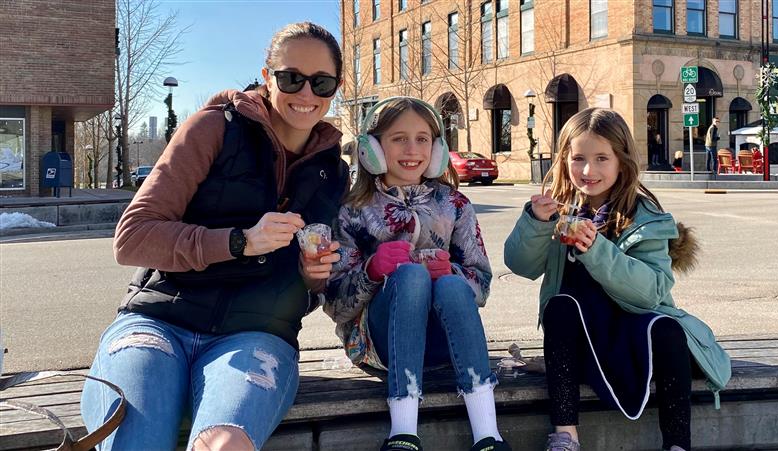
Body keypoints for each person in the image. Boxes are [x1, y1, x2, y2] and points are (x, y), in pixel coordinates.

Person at [80, 22, 349, 450]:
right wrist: (239, 241)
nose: (306, 94)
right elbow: (132, 238)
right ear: (267, 77)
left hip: (257, 336)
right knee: (135, 440)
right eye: (291, 78)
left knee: (223, 445)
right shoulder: (213, 129)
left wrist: (313, 272)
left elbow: (313, 288)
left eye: (322, 82)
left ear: (336, 86)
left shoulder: (332, 170)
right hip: (157, 323)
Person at [504, 108, 730, 451]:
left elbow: (652, 292)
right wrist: (536, 222)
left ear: (621, 162)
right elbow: (521, 264)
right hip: (577, 341)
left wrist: (597, 250)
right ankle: (566, 436)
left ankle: (678, 445)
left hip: (632, 334)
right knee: (559, 305)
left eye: (601, 158)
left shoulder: (646, 218)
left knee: (670, 330)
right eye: (578, 158)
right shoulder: (556, 212)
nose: (588, 170)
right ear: (564, 160)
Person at [325, 97, 510, 451]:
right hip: (380, 345)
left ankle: (488, 434)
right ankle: (403, 431)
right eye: (398, 139)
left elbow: (482, 284)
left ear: (438, 148)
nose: (412, 149)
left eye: (423, 139)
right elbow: (335, 304)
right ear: (373, 149)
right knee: (410, 277)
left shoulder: (455, 205)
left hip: (443, 346)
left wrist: (451, 271)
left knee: (454, 286)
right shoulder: (352, 211)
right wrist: (372, 270)